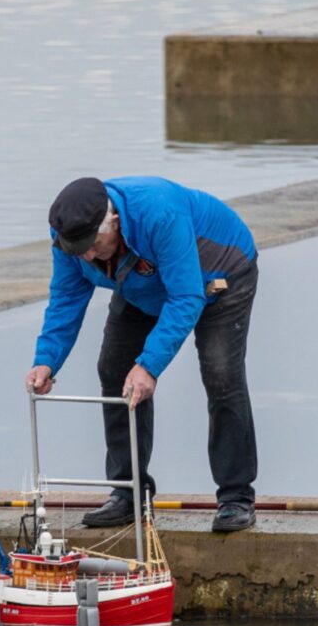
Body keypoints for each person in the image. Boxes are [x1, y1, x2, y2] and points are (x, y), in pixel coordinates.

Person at [25, 176, 259, 533]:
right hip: (142, 284)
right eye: (78, 250)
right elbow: (67, 298)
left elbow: (186, 297)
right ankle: (129, 493)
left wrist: (149, 365)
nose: (87, 256)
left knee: (220, 374)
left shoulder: (159, 214)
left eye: (92, 245)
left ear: (114, 221)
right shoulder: (68, 237)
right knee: (115, 369)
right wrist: (46, 360)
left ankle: (236, 496)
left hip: (218, 275)